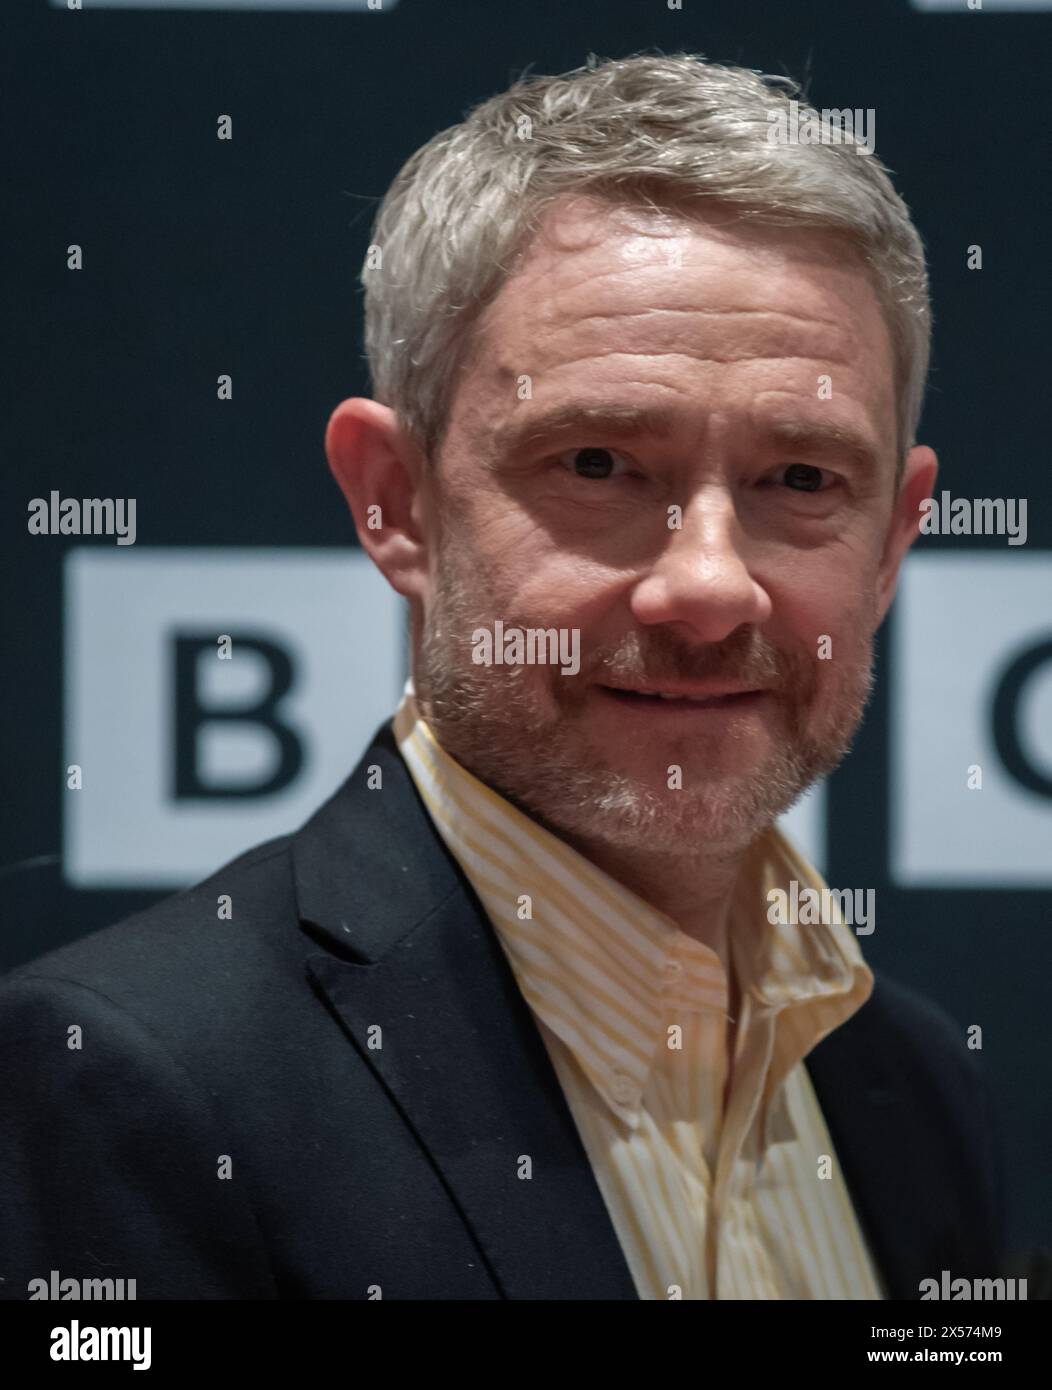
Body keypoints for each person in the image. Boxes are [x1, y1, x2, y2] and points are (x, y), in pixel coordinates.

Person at [0, 52, 1005, 1300]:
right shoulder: (134, 1077)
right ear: (396, 502)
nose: (706, 586)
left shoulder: (911, 1083)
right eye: (595, 463)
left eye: (799, 479)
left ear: (895, 537)